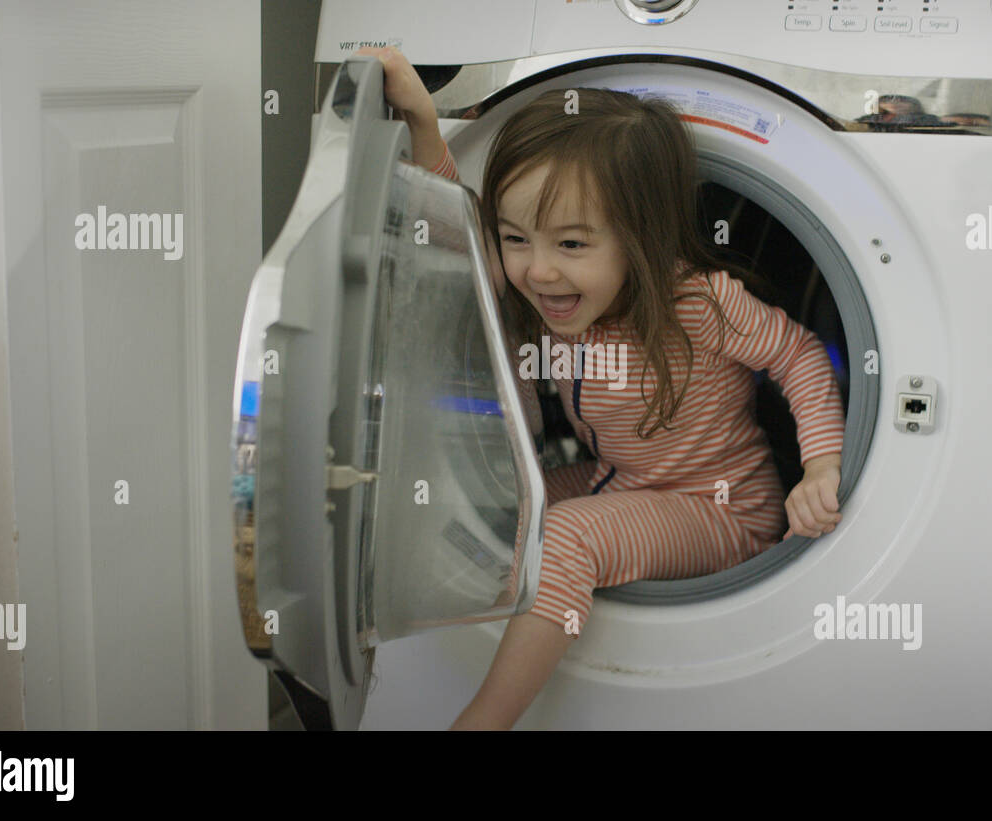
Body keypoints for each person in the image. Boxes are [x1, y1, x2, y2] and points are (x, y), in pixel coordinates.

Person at [359, 47, 846, 730]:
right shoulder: (546, 294)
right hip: (619, 481)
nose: (539, 270)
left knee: (563, 537)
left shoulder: (697, 304)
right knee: (491, 504)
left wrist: (821, 467)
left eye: (572, 244)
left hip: (721, 509)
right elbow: (455, 243)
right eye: (516, 238)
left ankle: (482, 721)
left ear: (639, 239)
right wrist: (422, 120)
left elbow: (798, 354)